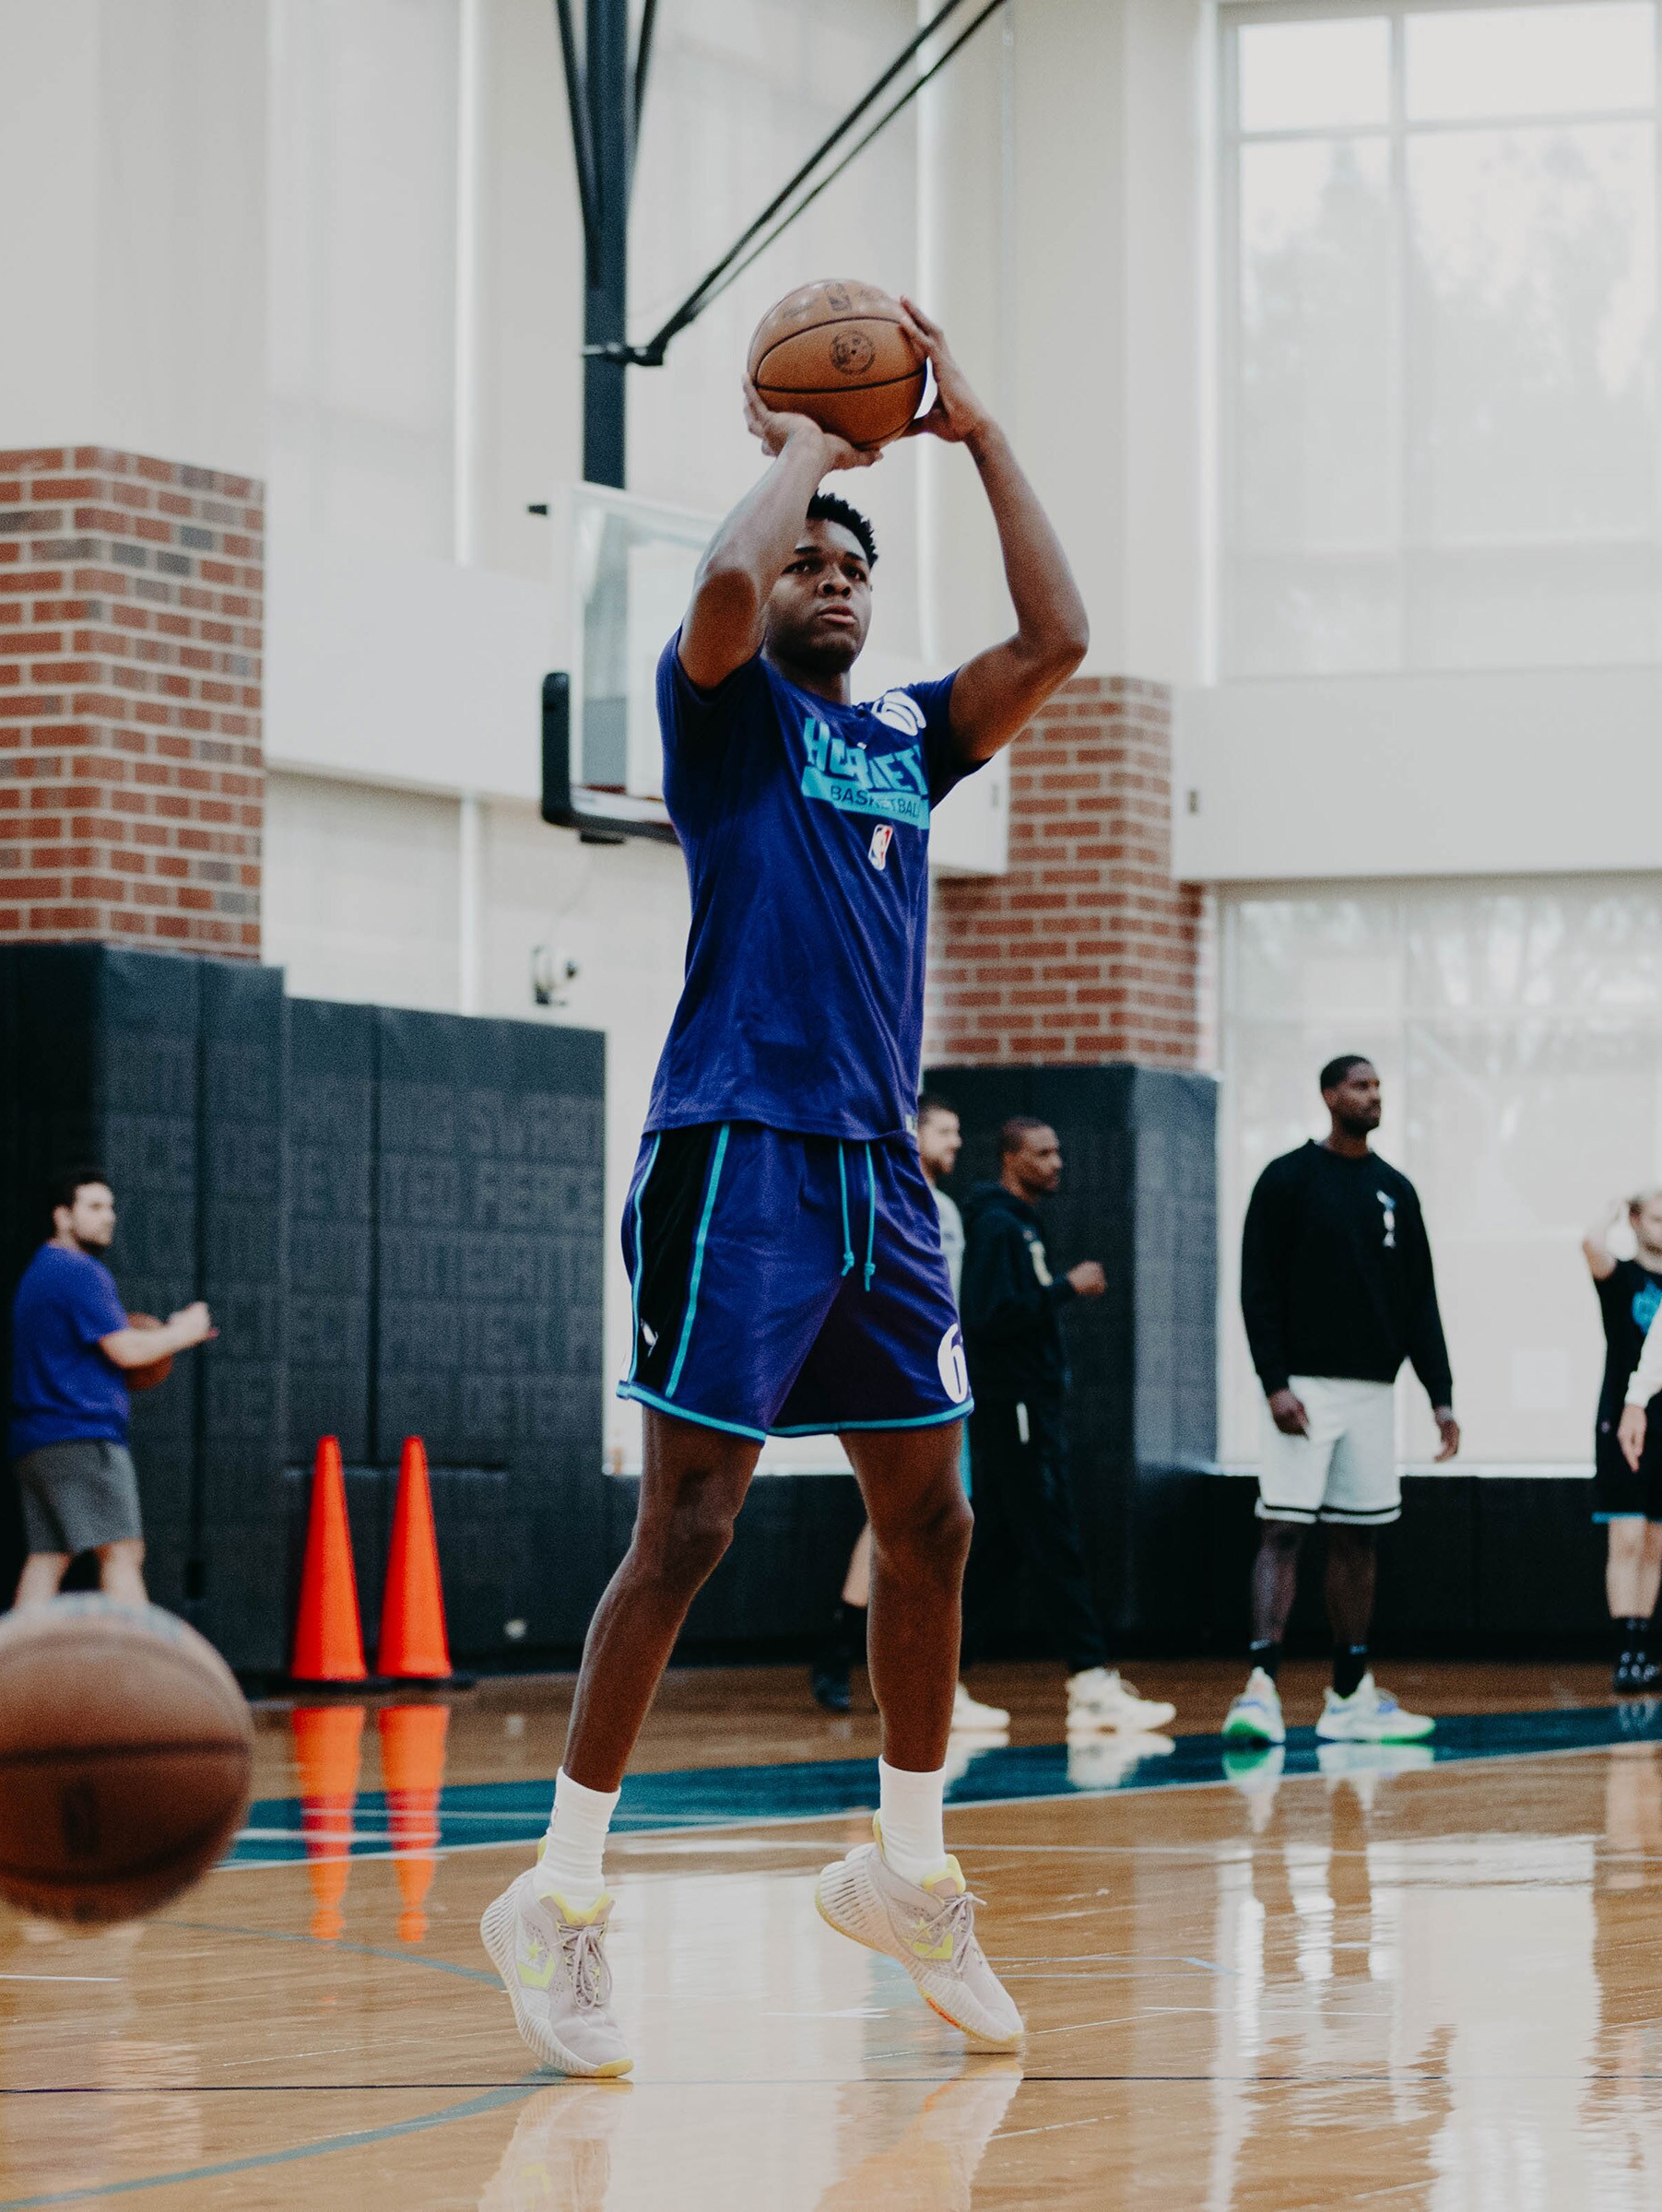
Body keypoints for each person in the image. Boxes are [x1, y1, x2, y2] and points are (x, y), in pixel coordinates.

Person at [481, 298, 1090, 2078]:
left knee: (936, 1522)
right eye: (812, 555)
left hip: (879, 1178)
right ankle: (562, 1895)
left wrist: (966, 426)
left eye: (854, 568)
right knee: (688, 1527)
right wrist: (813, 442)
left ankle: (908, 1869)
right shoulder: (727, 715)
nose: (831, 577)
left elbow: (1062, 630)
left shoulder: (906, 735)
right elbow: (724, 599)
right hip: (734, 1149)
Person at [1226, 1056, 1458, 1748]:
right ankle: (1261, 1690)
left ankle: (1350, 1694)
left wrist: (1440, 1397)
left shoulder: (1395, 1190)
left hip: (1372, 1392)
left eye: (1379, 1087)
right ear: (1329, 1095)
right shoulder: (1286, 1179)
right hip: (1302, 1387)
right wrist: (1275, 1382)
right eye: (1360, 1086)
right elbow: (1256, 1287)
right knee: (1284, 1529)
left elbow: (1421, 1301)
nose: (1373, 1096)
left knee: (1359, 1536)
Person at [960, 1117, 1175, 1735]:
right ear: (1010, 1158)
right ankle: (1090, 1680)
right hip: (1015, 1407)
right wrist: (1065, 1288)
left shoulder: (1018, 1222)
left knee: (999, 1547)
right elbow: (989, 1316)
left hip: (1029, 1406)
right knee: (1052, 1537)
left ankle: (940, 1678)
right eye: (1043, 1153)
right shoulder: (998, 1225)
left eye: (1060, 1152)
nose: (1057, 1163)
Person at [810, 1095, 1008, 1731]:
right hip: (893, 1370)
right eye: (944, 1131)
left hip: (936, 1370)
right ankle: (884, 1667)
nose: (955, 1142)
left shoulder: (947, 1208)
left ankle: (855, 1658)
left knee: (911, 1520)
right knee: (910, 1518)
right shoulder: (874, 1193)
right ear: (912, 1131)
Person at [10, 1170, 216, 1607]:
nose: (109, 1217)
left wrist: (165, 1334)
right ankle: (137, 1674)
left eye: (111, 1207)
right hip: (81, 1436)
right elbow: (126, 1351)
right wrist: (186, 1332)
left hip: (37, 1442)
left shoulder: (39, 1271)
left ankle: (15, 1672)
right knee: (122, 1553)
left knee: (47, 1558)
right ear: (63, 1216)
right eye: (95, 1207)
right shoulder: (79, 1272)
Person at [1584, 1193, 1662, 1690]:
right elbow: (1590, 1243)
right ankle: (1627, 1652)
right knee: (1627, 1538)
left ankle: (1643, 1649)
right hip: (1624, 1416)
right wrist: (1613, 1205)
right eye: (1657, 1216)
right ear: (1636, 1221)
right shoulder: (1623, 1278)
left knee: (1655, 1542)